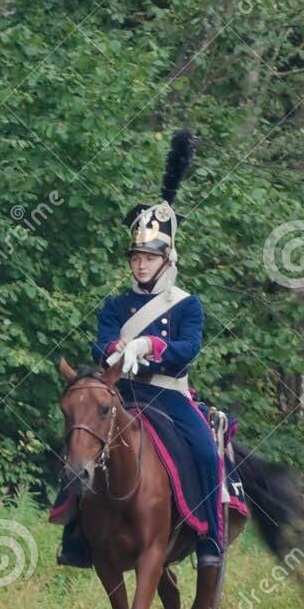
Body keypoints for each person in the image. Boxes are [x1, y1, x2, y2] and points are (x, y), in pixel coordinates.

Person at [57, 129, 224, 569]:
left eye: (149, 257)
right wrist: (118, 348)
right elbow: (102, 340)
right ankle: (75, 531)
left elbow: (187, 349)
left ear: (167, 259)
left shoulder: (187, 304)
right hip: (123, 393)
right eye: (136, 257)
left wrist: (150, 344)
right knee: (79, 439)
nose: (141, 263)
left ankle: (210, 538)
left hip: (169, 394)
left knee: (206, 450)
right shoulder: (117, 303)